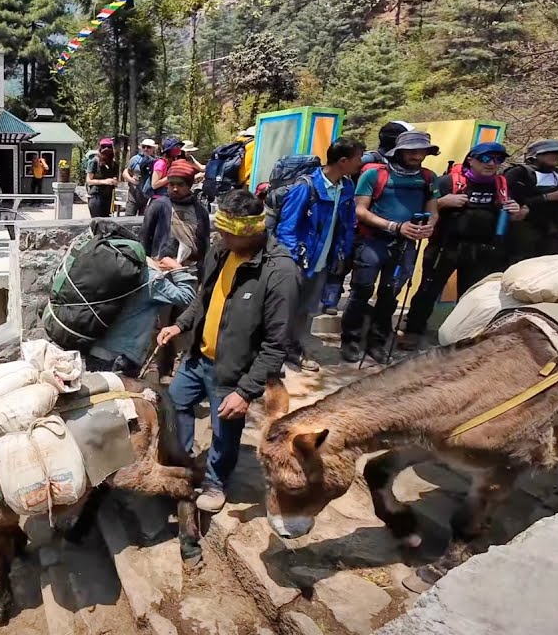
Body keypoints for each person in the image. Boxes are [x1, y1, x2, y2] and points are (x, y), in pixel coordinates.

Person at [156, 189, 299, 514]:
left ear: (250, 232)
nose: (220, 236)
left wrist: (246, 392)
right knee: (176, 404)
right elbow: (203, 298)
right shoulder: (222, 251)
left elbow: (276, 346)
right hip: (197, 357)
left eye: (227, 232)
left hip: (233, 373)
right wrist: (180, 326)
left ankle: (215, 482)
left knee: (224, 433)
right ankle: (183, 463)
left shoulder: (280, 274)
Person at [399, 142, 524, 347]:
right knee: (428, 290)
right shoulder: (447, 182)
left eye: (498, 159)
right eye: (486, 158)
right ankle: (413, 330)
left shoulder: (502, 185)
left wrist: (515, 211)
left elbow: (517, 216)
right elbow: (422, 207)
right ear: (471, 160)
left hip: (482, 249)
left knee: (472, 295)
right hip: (445, 246)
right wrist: (442, 202)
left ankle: (464, 335)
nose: (492, 163)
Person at [341, 130, 440, 364]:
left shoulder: (428, 177)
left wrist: (428, 227)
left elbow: (433, 210)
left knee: (390, 294)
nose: (417, 155)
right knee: (361, 291)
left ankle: (378, 342)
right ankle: (351, 340)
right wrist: (395, 226)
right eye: (412, 150)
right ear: (399, 151)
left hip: (406, 244)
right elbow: (360, 210)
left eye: (422, 150)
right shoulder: (374, 174)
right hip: (373, 241)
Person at [274, 137, 363, 372]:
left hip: (322, 261)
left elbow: (347, 223)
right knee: (285, 307)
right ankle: (272, 353)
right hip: (299, 261)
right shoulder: (307, 186)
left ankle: (293, 349)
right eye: (357, 159)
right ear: (343, 161)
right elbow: (287, 227)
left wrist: (343, 253)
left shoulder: (347, 187)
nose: (360, 163)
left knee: (305, 309)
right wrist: (292, 261)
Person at [88, 256, 198, 376]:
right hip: (121, 356)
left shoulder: (119, 266)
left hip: (96, 348)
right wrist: (178, 269)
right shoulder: (151, 278)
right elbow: (187, 298)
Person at [504, 140, 558, 263]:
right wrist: (550, 197)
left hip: (554, 228)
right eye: (550, 153)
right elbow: (512, 201)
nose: (556, 156)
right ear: (535, 155)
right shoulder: (519, 173)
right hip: (526, 229)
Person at [141, 160, 212, 276]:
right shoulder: (159, 206)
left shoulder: (200, 210)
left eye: (180, 185)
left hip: (191, 270)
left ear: (189, 185)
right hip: (161, 270)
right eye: (171, 184)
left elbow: (205, 244)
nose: (175, 189)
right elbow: (144, 238)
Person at [85, 138, 120, 217]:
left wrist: (115, 180)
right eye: (104, 146)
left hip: (108, 197)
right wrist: (105, 181)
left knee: (106, 222)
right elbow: (89, 180)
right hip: (96, 196)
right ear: (100, 148)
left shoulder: (113, 164)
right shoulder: (94, 161)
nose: (106, 149)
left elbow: (116, 178)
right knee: (97, 222)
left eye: (109, 147)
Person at [123, 139, 158, 215]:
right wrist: (131, 180)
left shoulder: (157, 162)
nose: (146, 149)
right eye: (143, 146)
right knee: (128, 219)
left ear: (153, 149)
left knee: (144, 221)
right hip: (133, 195)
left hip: (148, 197)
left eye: (148, 147)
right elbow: (125, 172)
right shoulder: (135, 159)